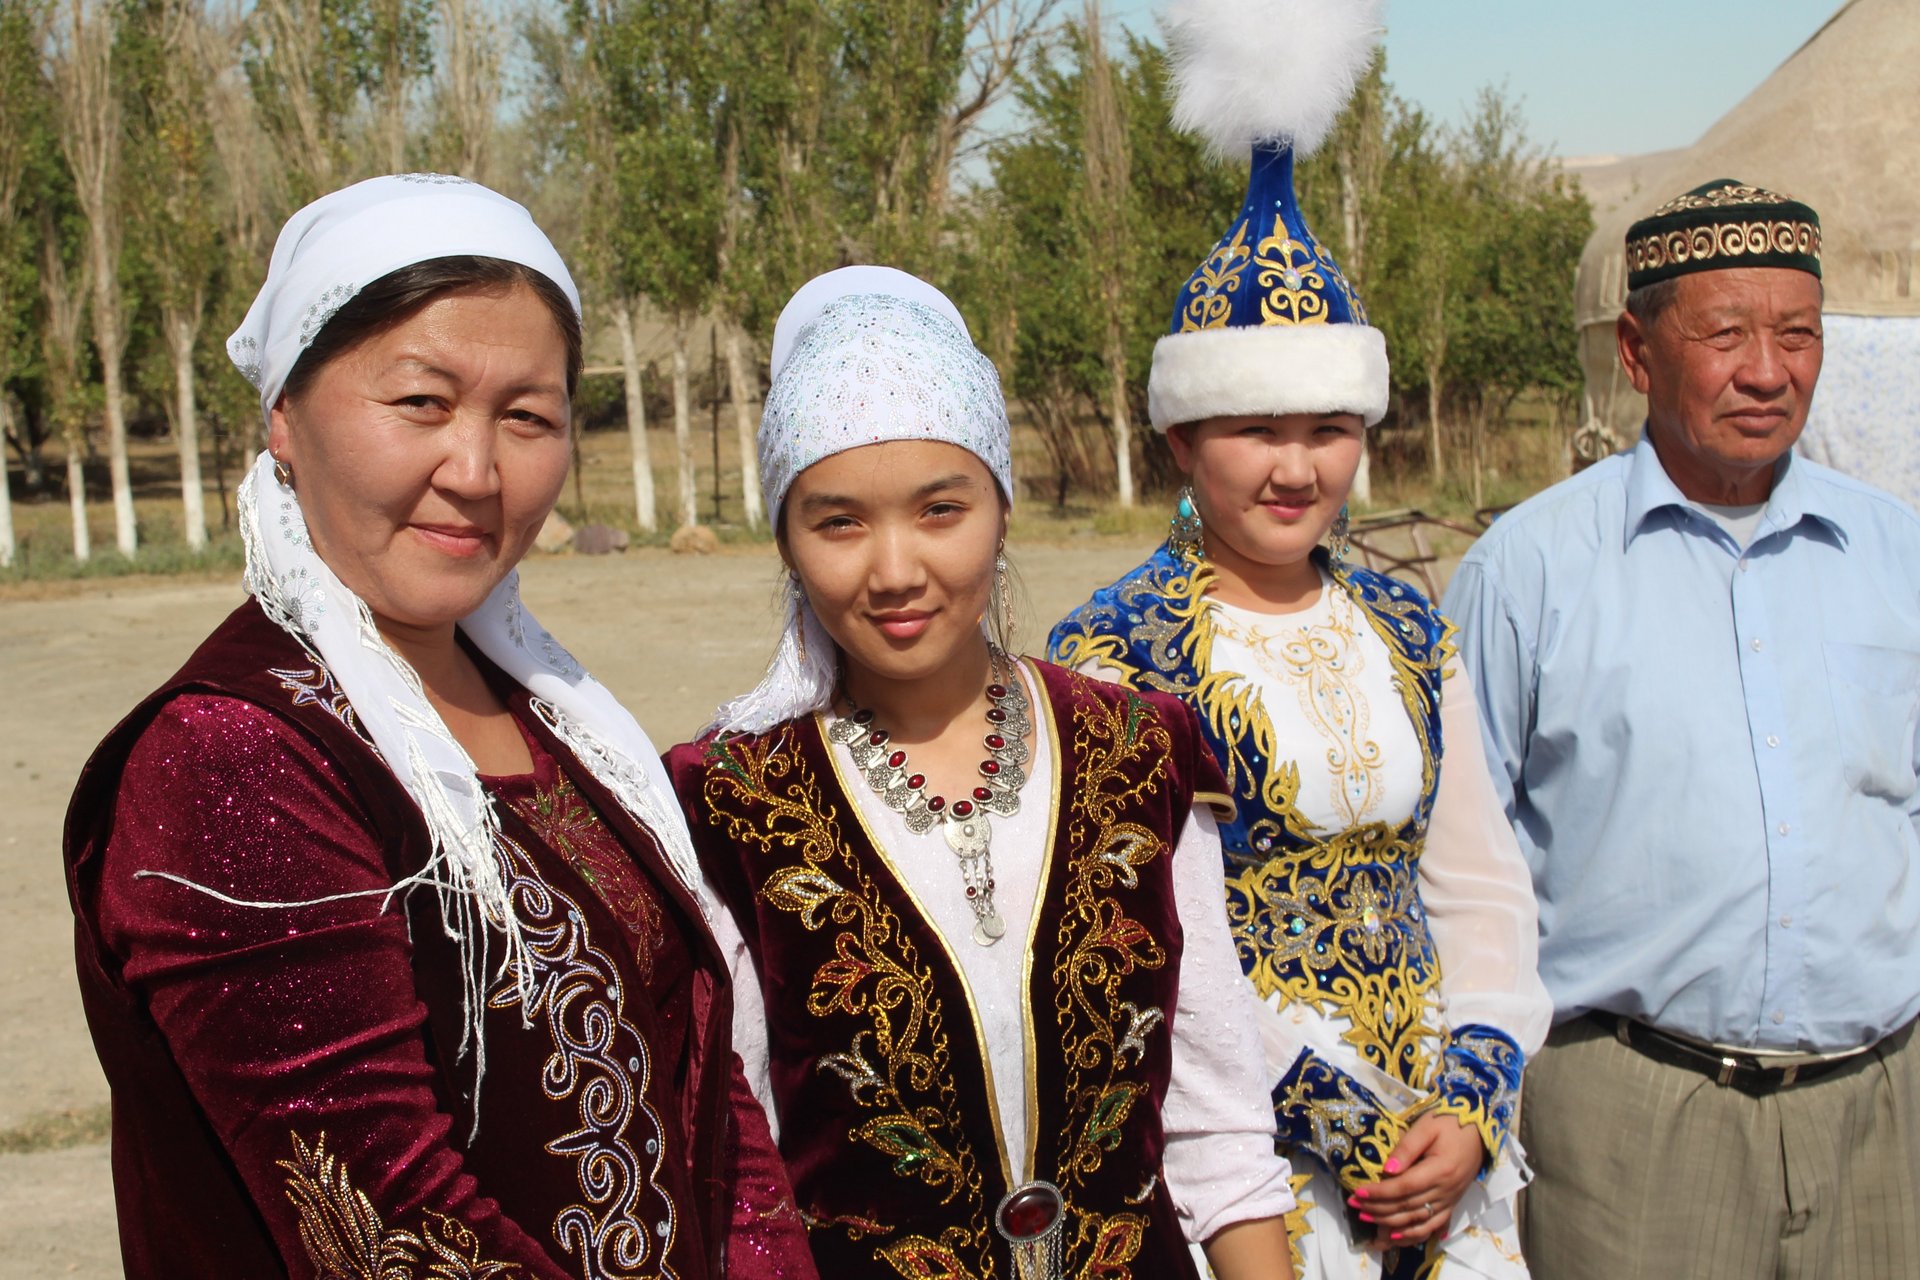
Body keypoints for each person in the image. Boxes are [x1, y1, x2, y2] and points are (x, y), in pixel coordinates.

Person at [62, 175, 815, 1279]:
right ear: (284, 414)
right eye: (420, 401)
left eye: (528, 417)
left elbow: (705, 1084)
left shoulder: (548, 716)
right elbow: (391, 1227)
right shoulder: (236, 755)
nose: (474, 471)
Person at [665, 266, 1298, 1280]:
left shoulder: (1137, 750)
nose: (896, 567)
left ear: (1000, 507)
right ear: (785, 539)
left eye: (939, 509)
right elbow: (738, 1172)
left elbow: (1219, 1130)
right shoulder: (730, 803)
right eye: (838, 522)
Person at [1048, 4, 1550, 1276]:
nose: (1296, 465)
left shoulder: (1405, 619)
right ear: (1180, 439)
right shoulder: (1113, 655)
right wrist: (1345, 1127)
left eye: (1329, 425)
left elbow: (1479, 880)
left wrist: (1472, 1098)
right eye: (1254, 427)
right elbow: (1144, 949)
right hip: (1255, 1165)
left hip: (1441, 1137)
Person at [1443, 178, 1920, 1278]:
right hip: (1631, 1118)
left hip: (1880, 1111)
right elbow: (1465, 862)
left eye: (1798, 333)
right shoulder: (1528, 571)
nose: (1769, 369)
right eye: (1725, 334)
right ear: (1635, 349)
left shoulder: (1895, 552)